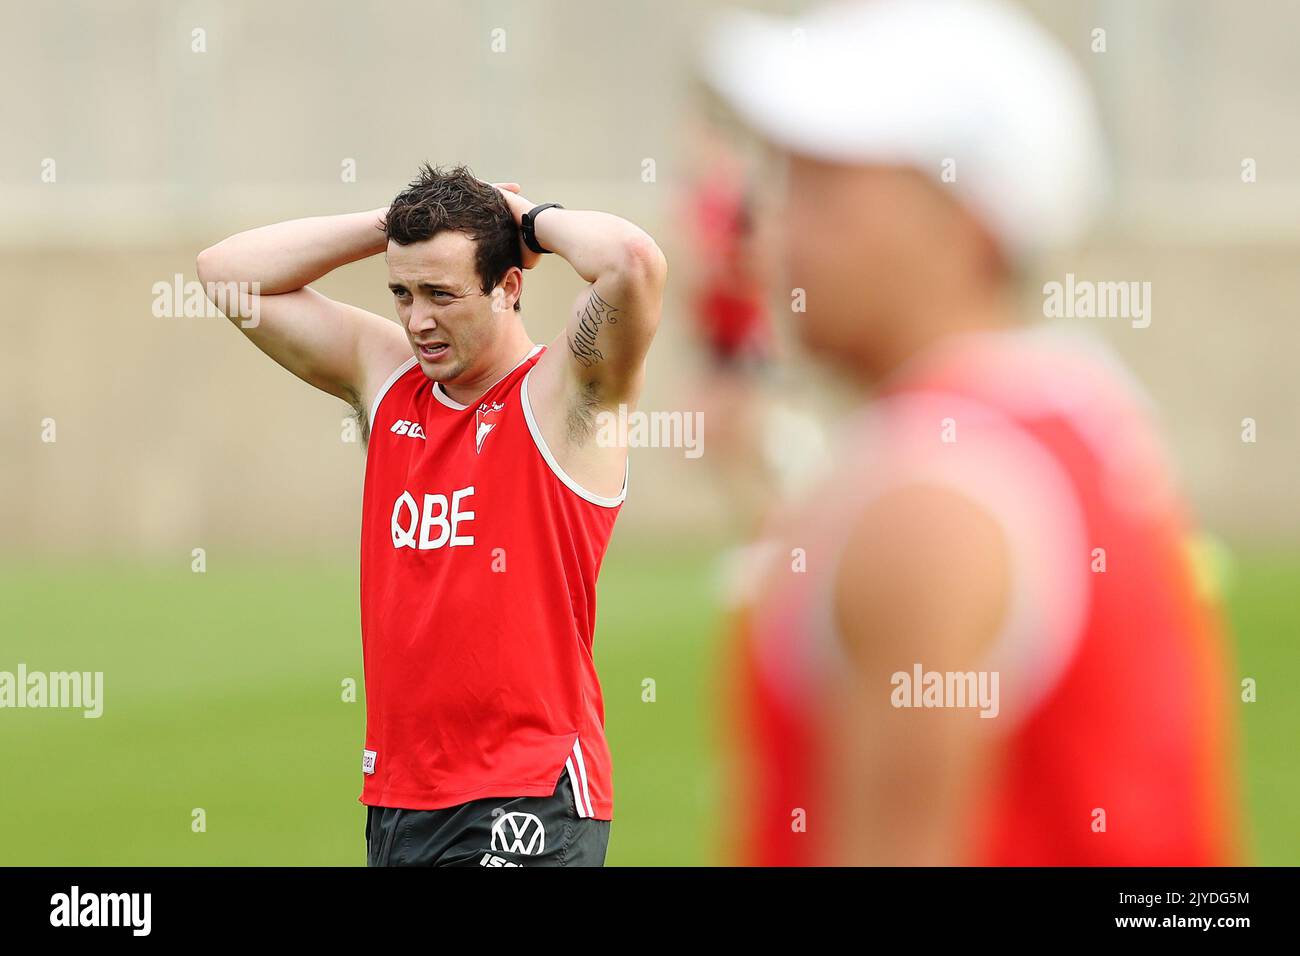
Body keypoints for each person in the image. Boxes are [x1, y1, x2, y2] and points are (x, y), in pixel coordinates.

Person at [702, 0, 1240, 865]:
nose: (774, 224)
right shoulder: (1078, 406)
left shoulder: (928, 498)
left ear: (968, 221)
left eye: (827, 186)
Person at [197, 164, 666, 866]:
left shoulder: (566, 396)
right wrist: (395, 223)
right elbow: (224, 272)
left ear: (509, 287)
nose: (418, 320)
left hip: (530, 797)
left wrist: (526, 217)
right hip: (400, 799)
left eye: (441, 294)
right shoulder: (385, 376)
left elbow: (631, 261)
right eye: (402, 294)